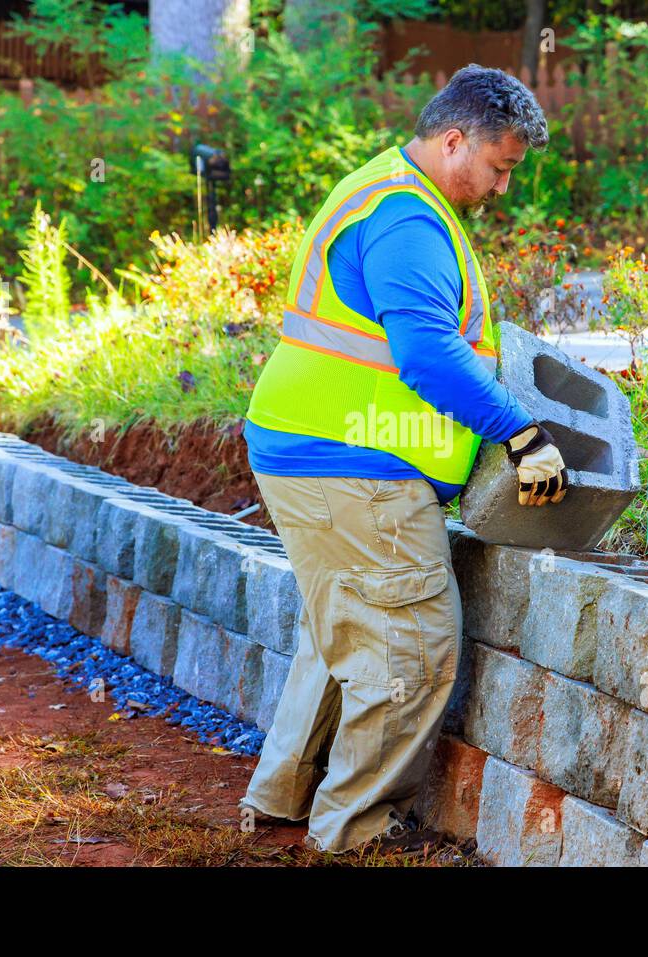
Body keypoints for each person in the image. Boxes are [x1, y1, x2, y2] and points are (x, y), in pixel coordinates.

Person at [239, 64, 568, 853]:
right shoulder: (409, 220)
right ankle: (353, 833)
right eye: (500, 167)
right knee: (411, 650)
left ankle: (285, 799)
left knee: (344, 633)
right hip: (353, 463)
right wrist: (522, 433)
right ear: (454, 141)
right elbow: (428, 355)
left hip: (316, 448)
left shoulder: (390, 190)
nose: (502, 188)